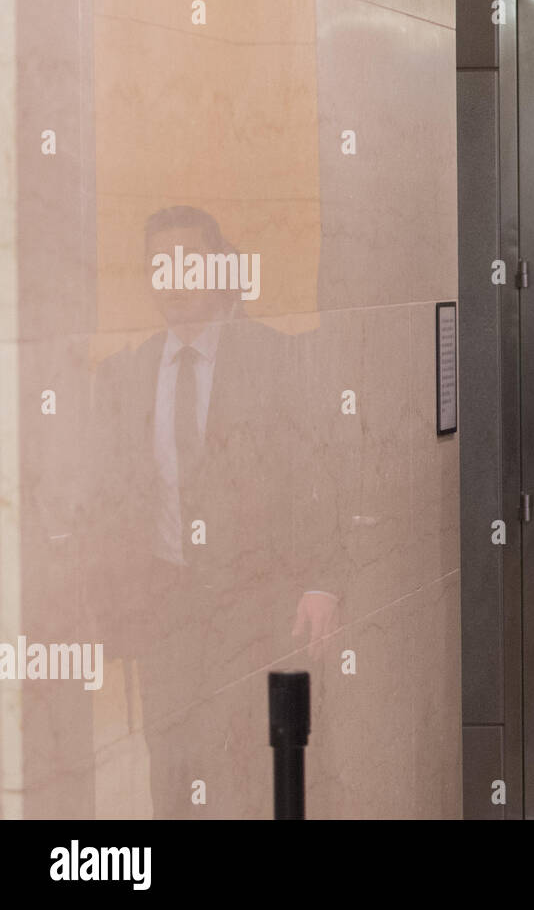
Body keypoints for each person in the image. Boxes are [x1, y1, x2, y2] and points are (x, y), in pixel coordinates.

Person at [88, 205, 345, 817]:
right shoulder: (127, 374)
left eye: (186, 261)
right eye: (159, 265)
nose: (173, 277)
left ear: (217, 268)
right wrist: (108, 601)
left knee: (250, 765)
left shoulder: (276, 360)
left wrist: (321, 581)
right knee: (171, 764)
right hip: (166, 601)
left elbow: (319, 472)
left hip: (258, 600)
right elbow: (112, 495)